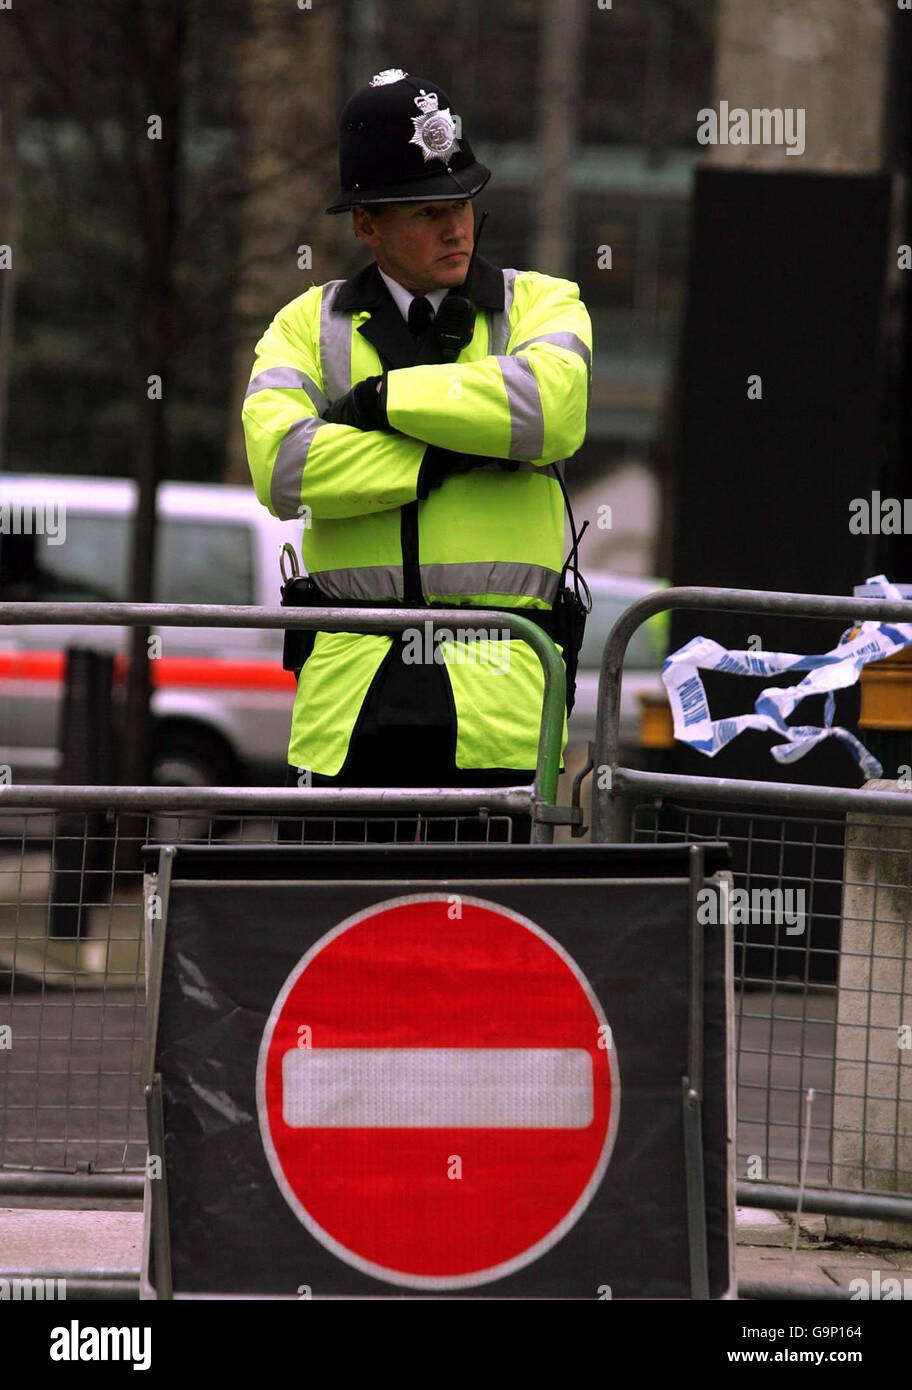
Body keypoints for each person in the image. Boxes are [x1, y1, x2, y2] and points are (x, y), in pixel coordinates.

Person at [242, 69, 591, 842]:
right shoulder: (308, 323)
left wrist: (380, 404)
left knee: (487, 950)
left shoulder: (543, 302)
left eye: (464, 205)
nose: (457, 229)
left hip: (500, 711)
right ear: (366, 225)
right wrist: (440, 460)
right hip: (347, 710)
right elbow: (282, 470)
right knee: (339, 938)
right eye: (429, 212)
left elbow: (551, 413)